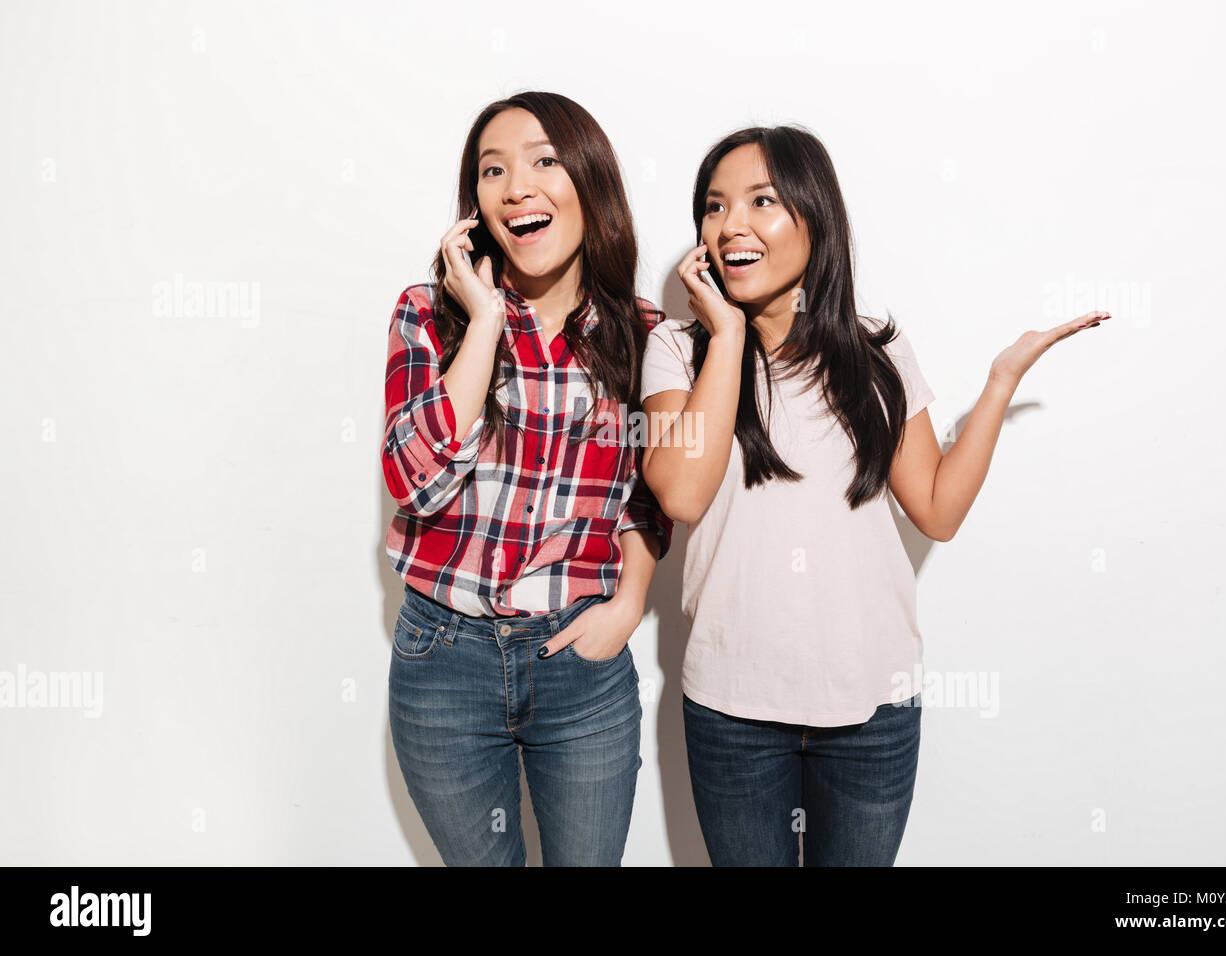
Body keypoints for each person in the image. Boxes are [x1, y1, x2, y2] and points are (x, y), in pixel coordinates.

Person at [640, 125, 1108, 866]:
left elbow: (936, 509)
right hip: (732, 707)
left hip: (872, 710)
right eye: (714, 206)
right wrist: (726, 335)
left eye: (761, 200)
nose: (730, 225)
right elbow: (680, 493)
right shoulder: (678, 347)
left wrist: (999, 382)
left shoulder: (876, 349)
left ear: (814, 216)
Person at [381, 92, 672, 866]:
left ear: (589, 182)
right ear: (474, 204)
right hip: (443, 661)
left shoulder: (645, 336)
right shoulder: (427, 314)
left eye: (544, 160)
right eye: (492, 171)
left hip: (581, 659)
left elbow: (655, 494)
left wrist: (631, 601)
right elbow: (417, 483)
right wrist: (482, 326)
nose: (517, 187)